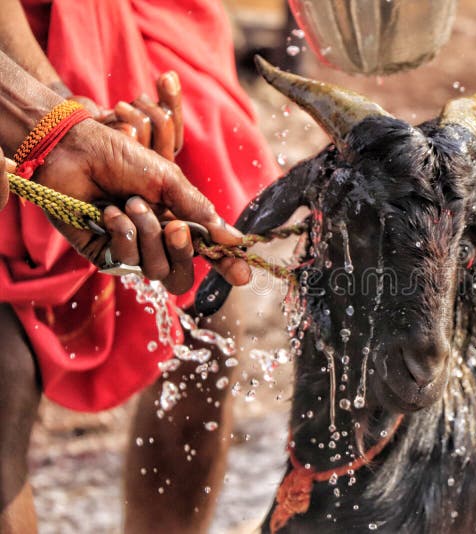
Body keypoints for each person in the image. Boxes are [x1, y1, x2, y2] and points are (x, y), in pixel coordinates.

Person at [0, 1, 281, 532]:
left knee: (202, 318)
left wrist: (59, 133)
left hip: (136, 25)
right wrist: (53, 123)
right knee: (5, 369)